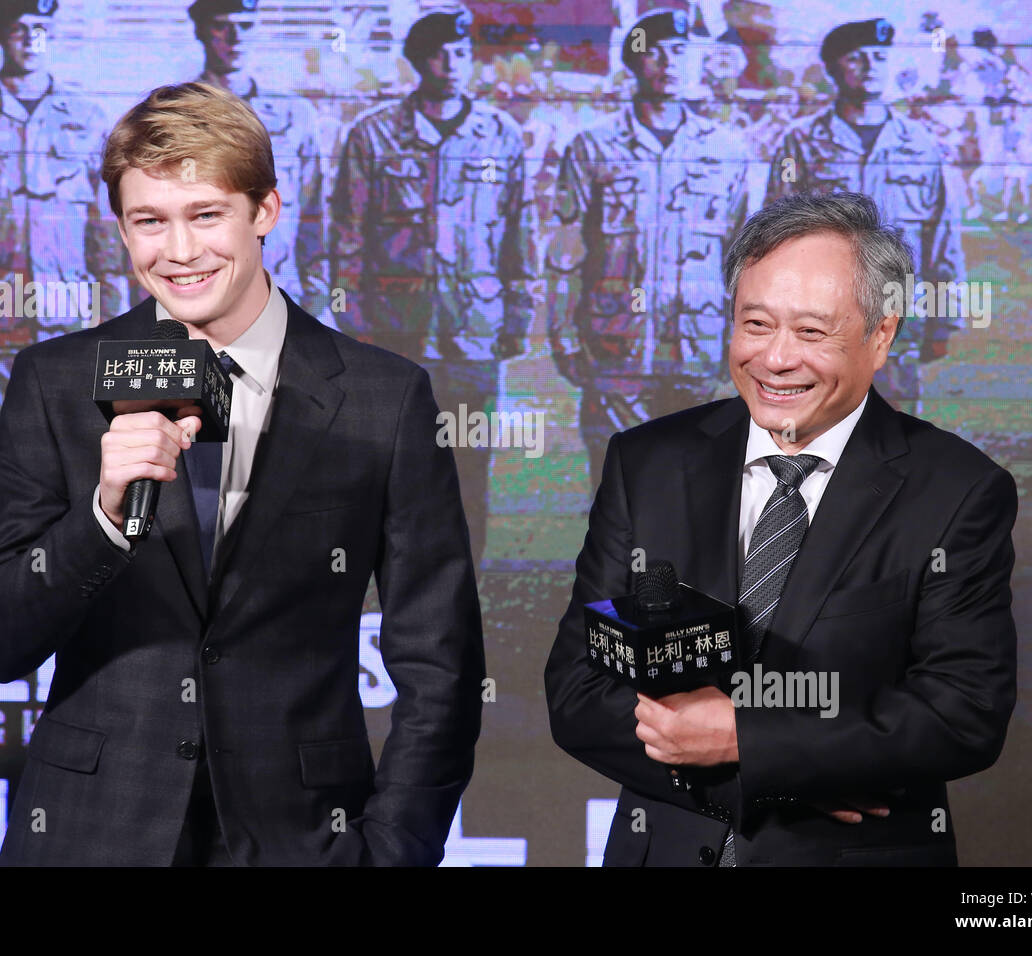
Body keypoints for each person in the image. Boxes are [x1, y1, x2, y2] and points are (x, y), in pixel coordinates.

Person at [0, 82, 485, 865]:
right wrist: (101, 518)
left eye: (206, 215)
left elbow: (441, 664)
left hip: (304, 840)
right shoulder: (55, 382)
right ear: (122, 228)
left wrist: (391, 852)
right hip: (91, 837)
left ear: (264, 211)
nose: (179, 252)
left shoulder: (384, 397)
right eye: (150, 222)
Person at [545, 192, 1017, 866]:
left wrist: (747, 738)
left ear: (880, 335)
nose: (775, 358)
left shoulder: (958, 490)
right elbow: (579, 690)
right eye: (756, 323)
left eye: (811, 332)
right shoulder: (646, 463)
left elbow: (961, 713)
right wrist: (760, 779)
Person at [329, 5, 536, 566]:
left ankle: (466, 573)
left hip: (474, 329)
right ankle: (393, 573)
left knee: (468, 459)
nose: (452, 63)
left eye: (463, 51)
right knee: (393, 461)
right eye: (440, 52)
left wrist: (518, 316)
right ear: (418, 60)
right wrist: (353, 320)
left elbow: (520, 233)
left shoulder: (500, 134)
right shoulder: (372, 136)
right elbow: (348, 236)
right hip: (397, 332)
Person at [0, 0, 126, 561]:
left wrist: (114, 323)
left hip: (68, 324)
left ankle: (69, 589)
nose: (32, 39)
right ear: (0, 36)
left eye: (43, 27)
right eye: (20, 28)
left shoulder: (87, 120)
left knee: (76, 464)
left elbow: (106, 232)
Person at [546, 7, 748, 493]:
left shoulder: (726, 150)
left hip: (697, 346)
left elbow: (744, 261)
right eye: (655, 52)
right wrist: (564, 334)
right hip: (615, 347)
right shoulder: (592, 148)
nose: (669, 62)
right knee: (617, 494)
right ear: (634, 63)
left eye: (680, 51)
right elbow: (565, 254)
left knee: (696, 496)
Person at [765, 18, 965, 413]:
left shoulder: (920, 145)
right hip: (818, 318)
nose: (871, 65)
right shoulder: (802, 142)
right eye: (856, 58)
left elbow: (941, 238)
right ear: (833, 68)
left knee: (897, 436)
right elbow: (774, 238)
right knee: (815, 425)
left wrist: (945, 320)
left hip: (897, 316)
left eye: (879, 56)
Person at [187, 0, 328, 316]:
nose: (236, 38)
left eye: (246, 26)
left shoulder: (295, 116)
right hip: (199, 298)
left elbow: (313, 225)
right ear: (201, 32)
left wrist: (320, 314)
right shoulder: (174, 115)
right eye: (223, 26)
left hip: (281, 298)